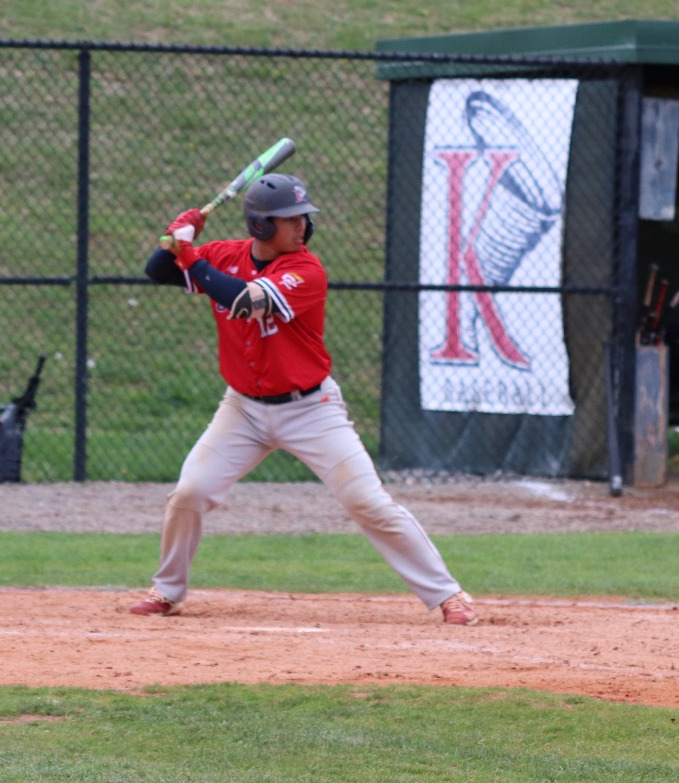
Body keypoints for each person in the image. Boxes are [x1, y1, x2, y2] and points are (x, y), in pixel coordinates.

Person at [127, 174, 478, 625]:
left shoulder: (306, 270)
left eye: (303, 218)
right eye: (290, 219)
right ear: (259, 225)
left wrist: (189, 252)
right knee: (189, 492)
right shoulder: (224, 256)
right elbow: (157, 271)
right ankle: (168, 592)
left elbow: (242, 300)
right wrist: (180, 231)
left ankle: (449, 594)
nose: (302, 226)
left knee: (367, 502)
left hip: (311, 410)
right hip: (243, 410)